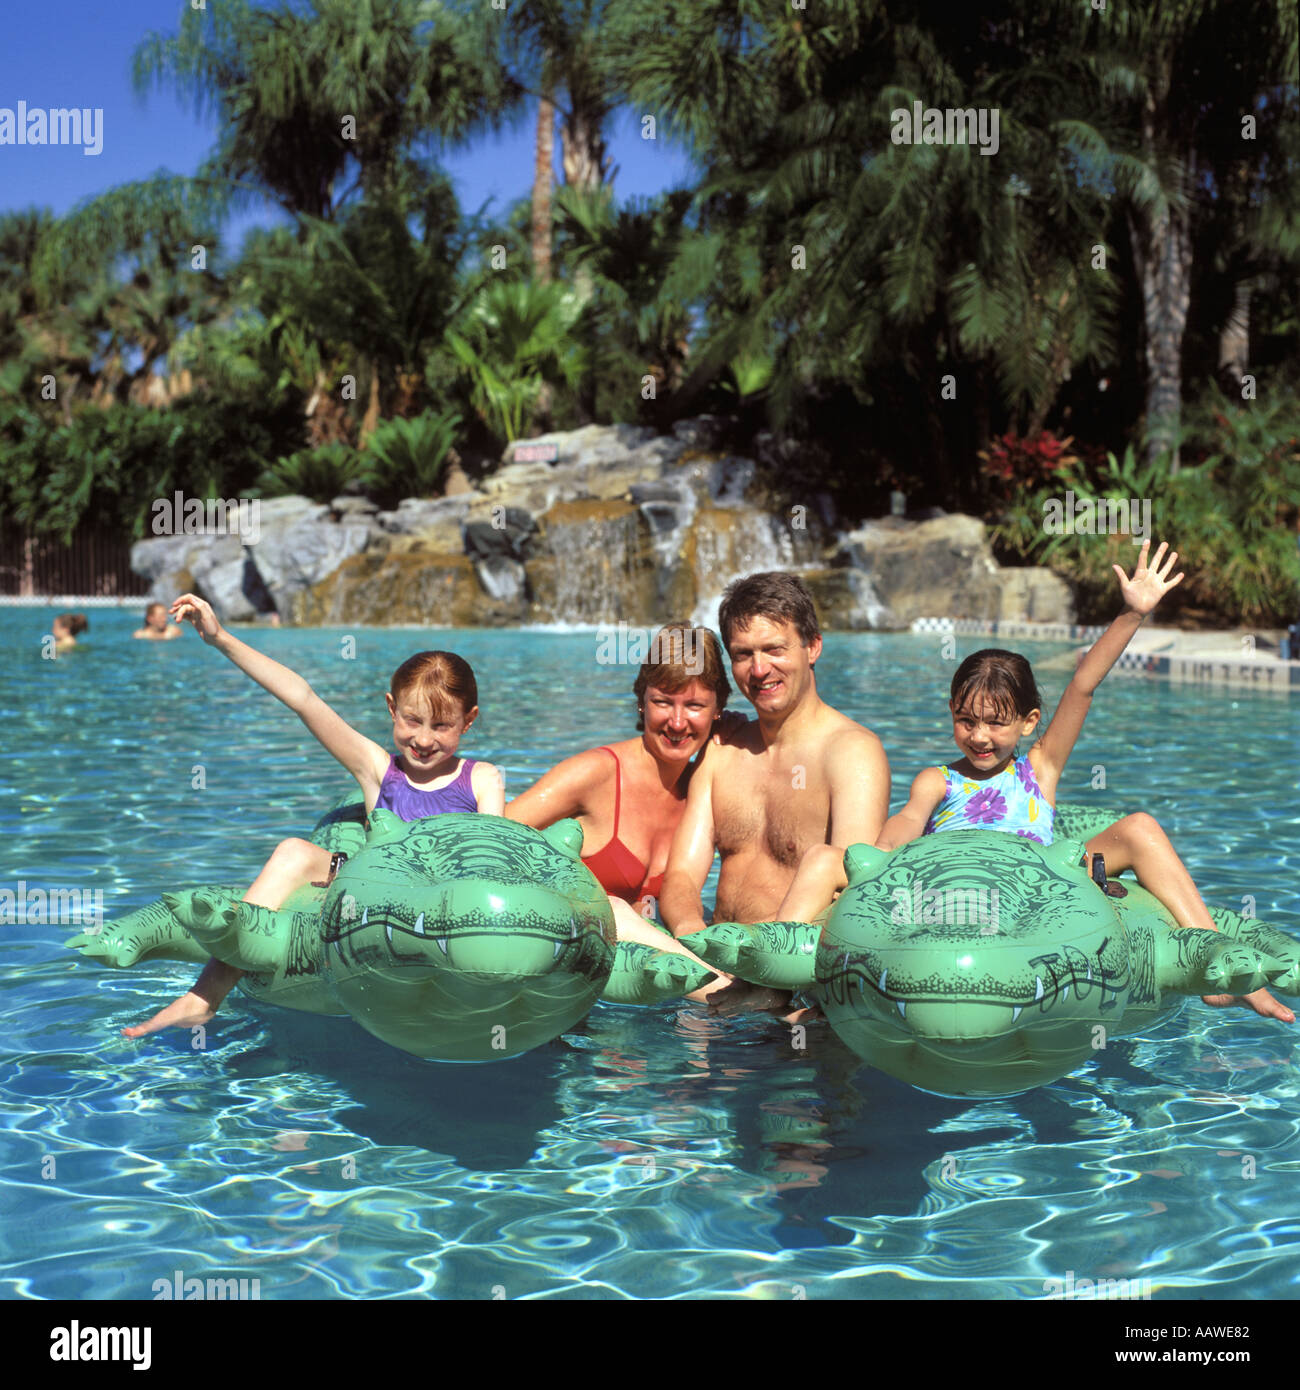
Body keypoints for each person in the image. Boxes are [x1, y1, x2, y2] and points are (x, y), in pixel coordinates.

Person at [777, 540, 1294, 1024]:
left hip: (1038, 882)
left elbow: (1084, 685)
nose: (979, 737)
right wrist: (879, 866)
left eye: (996, 723)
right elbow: (905, 824)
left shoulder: (1039, 768)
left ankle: (1213, 957)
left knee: (1139, 827)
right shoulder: (938, 780)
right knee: (825, 858)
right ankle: (777, 979)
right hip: (960, 886)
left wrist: (1133, 613)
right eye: (966, 720)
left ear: (1028, 721)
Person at [121, 591, 503, 1038]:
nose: (422, 739)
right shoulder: (380, 769)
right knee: (291, 851)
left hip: (439, 901)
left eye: (442, 726)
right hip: (370, 890)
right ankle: (203, 997)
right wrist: (220, 638)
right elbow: (303, 699)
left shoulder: (481, 779)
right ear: (391, 708)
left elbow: (490, 859)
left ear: (468, 720)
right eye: (411, 720)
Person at [659, 572, 891, 1010]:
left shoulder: (851, 753)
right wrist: (694, 939)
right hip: (715, 983)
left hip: (793, 997)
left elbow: (849, 895)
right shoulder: (723, 750)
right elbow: (683, 875)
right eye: (743, 655)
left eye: (774, 649)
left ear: (813, 647)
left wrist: (773, 978)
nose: (759, 669)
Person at [505, 622, 741, 991]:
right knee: (611, 908)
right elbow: (492, 832)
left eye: (694, 705)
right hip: (566, 963)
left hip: (635, 982)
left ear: (717, 711)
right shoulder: (595, 774)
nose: (677, 722)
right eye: (663, 702)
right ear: (641, 701)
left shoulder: (703, 790)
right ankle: (737, 1001)